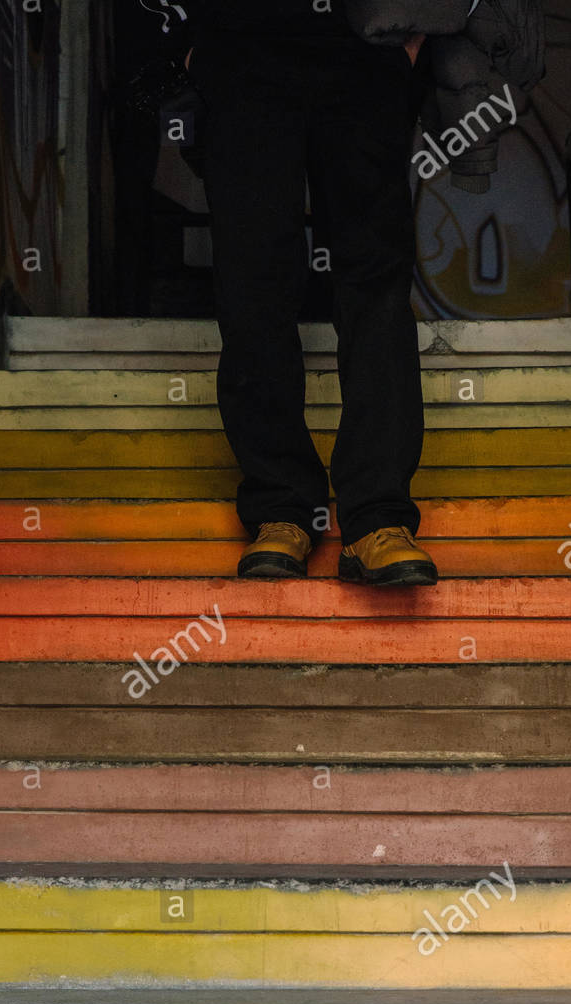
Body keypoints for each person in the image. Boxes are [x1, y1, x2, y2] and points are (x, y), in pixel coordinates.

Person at [185, 0, 439, 586]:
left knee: (375, 281)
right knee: (253, 281)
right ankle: (279, 506)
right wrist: (187, 46)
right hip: (241, 47)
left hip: (365, 47)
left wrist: (416, 37)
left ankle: (377, 517)